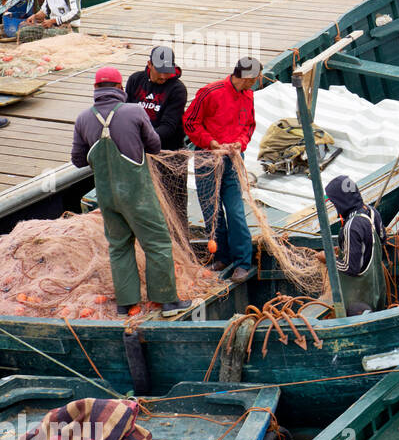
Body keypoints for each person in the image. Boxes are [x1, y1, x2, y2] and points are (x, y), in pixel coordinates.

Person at [70, 67, 190, 318]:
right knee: (157, 243)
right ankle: (166, 301)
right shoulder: (134, 111)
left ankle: (126, 304)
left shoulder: (82, 118)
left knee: (119, 246)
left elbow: (79, 161)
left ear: (95, 90)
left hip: (106, 195)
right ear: (120, 88)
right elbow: (155, 146)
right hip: (137, 194)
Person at [182, 57, 260, 284]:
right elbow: (190, 123)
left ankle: (243, 262)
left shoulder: (248, 96)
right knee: (211, 211)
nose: (255, 83)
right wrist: (212, 143)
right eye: (254, 79)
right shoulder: (210, 92)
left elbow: (249, 127)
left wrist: (240, 144)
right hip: (207, 158)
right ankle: (222, 256)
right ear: (245, 77)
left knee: (235, 211)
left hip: (233, 159)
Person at [126, 45, 188, 221]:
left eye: (167, 72)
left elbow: (168, 126)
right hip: (139, 154)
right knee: (143, 205)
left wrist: (141, 141)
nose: (163, 76)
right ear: (149, 64)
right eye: (159, 71)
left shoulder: (177, 89)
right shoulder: (135, 81)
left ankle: (179, 242)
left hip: (169, 155)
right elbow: (125, 112)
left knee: (175, 208)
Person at [315, 175, 387, 314]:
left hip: (359, 302)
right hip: (377, 292)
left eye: (334, 202)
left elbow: (351, 267)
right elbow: (382, 239)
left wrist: (328, 259)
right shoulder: (372, 212)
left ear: (341, 201)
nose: (334, 206)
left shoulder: (351, 226)